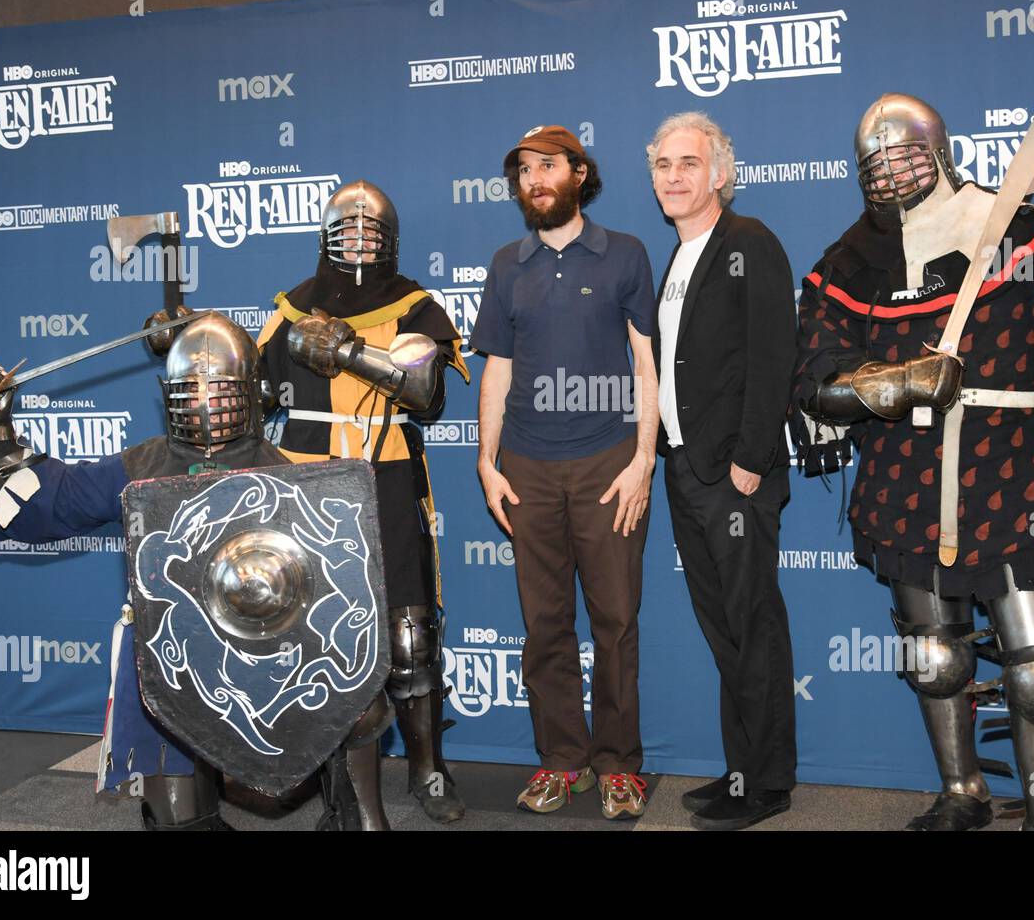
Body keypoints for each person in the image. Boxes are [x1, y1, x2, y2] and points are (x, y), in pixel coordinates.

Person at [793, 93, 1034, 830]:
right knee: (934, 657)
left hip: (1009, 473)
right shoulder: (849, 262)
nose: (891, 173)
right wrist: (895, 381)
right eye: (876, 163)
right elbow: (815, 375)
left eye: (906, 156)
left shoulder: (1021, 231)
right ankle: (963, 792)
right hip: (904, 479)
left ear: (941, 152)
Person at [0, 312, 397, 830]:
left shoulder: (289, 476)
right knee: (181, 812)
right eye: (194, 393)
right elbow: (51, 501)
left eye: (222, 392)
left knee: (357, 690)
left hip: (272, 652)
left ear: (250, 393)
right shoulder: (142, 466)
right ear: (171, 395)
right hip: (177, 653)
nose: (208, 406)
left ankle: (356, 811)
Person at [255, 180, 470, 824]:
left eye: (367, 230)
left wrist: (347, 351)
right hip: (304, 478)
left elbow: (427, 395)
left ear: (389, 239)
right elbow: (255, 391)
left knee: (408, 632)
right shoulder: (290, 307)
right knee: (311, 630)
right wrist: (194, 345)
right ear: (324, 234)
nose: (354, 239)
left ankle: (428, 768)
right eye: (343, 229)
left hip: (385, 470)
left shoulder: (411, 305)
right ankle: (322, 774)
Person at [471, 125, 658, 819]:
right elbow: (498, 369)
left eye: (548, 166)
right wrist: (487, 464)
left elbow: (646, 365)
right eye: (523, 170)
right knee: (544, 624)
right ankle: (561, 760)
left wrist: (644, 458)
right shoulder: (505, 264)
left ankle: (618, 766)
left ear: (579, 173)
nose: (534, 179)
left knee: (614, 620)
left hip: (609, 461)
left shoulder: (626, 255)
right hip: (527, 468)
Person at [646, 111, 799, 830]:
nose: (673, 177)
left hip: (733, 475)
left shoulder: (749, 243)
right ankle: (741, 773)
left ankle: (769, 784)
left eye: (687, 164)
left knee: (752, 626)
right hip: (686, 472)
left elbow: (773, 355)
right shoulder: (677, 256)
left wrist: (750, 459)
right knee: (724, 634)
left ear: (719, 174)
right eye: (663, 166)